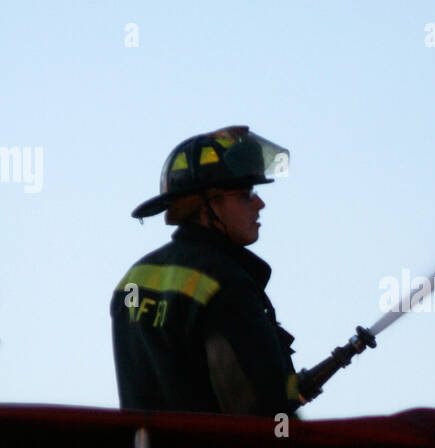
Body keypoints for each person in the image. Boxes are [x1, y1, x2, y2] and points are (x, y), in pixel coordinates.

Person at [110, 126, 313, 416]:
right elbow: (258, 404)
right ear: (206, 205)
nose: (260, 203)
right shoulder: (223, 281)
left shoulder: (134, 279)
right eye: (245, 194)